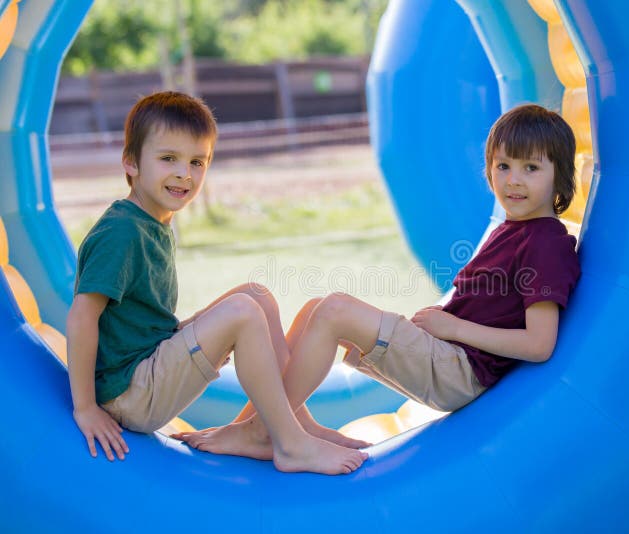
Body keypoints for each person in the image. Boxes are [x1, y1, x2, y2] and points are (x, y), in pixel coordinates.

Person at [173, 103, 582, 457]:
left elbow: (539, 344)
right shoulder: (516, 229)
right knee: (318, 307)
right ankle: (282, 425)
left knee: (334, 312)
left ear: (560, 175)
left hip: (461, 369)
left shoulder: (546, 241)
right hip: (447, 352)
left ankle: (264, 432)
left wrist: (454, 326)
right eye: (503, 165)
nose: (513, 179)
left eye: (531, 168)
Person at [66, 91, 368, 475]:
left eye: (197, 162)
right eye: (168, 159)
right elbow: (81, 318)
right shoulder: (121, 232)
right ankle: (290, 446)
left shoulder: (151, 221)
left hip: (149, 361)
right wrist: (86, 407)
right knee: (242, 313)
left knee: (254, 295)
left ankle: (292, 423)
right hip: (130, 393)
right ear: (131, 162)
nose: (184, 174)